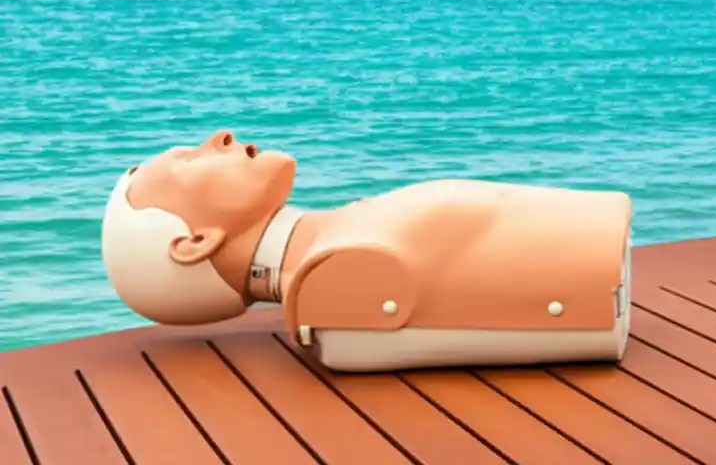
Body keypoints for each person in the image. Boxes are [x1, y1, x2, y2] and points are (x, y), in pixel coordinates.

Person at [101, 129, 633, 372]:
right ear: (195, 245)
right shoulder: (335, 278)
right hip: (598, 271)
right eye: (188, 162)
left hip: (599, 247)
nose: (218, 137)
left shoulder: (336, 250)